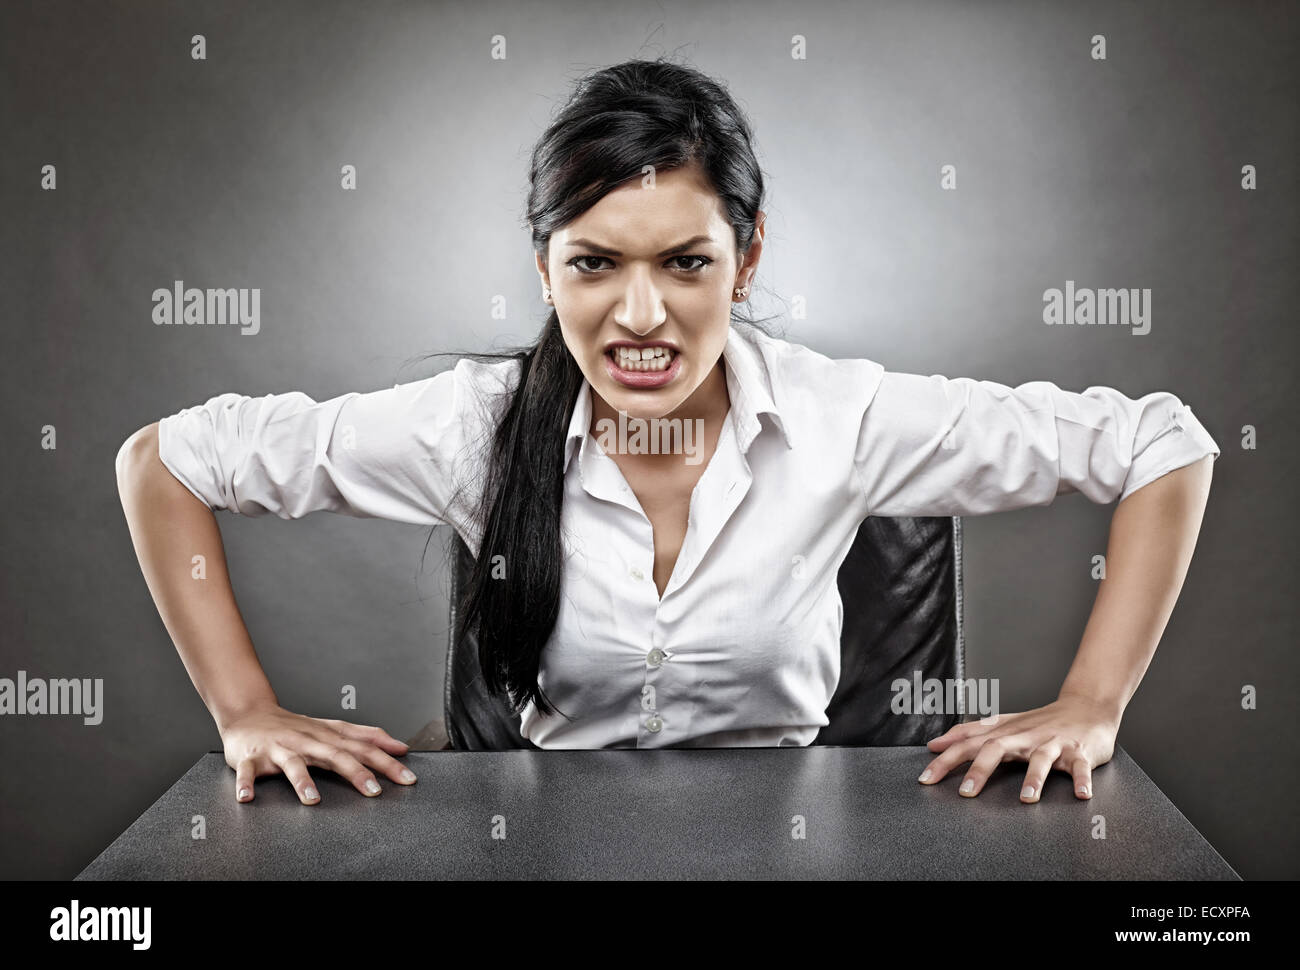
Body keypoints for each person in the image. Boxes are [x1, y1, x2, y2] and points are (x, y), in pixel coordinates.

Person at [115, 58, 1218, 807]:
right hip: (542, 844)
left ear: (745, 258)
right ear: (542, 267)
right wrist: (245, 712)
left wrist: (1091, 704)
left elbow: (1161, 443)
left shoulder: (844, 417)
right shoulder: (472, 427)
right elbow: (165, 459)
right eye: (594, 263)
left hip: (799, 838)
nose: (640, 316)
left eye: (685, 263)